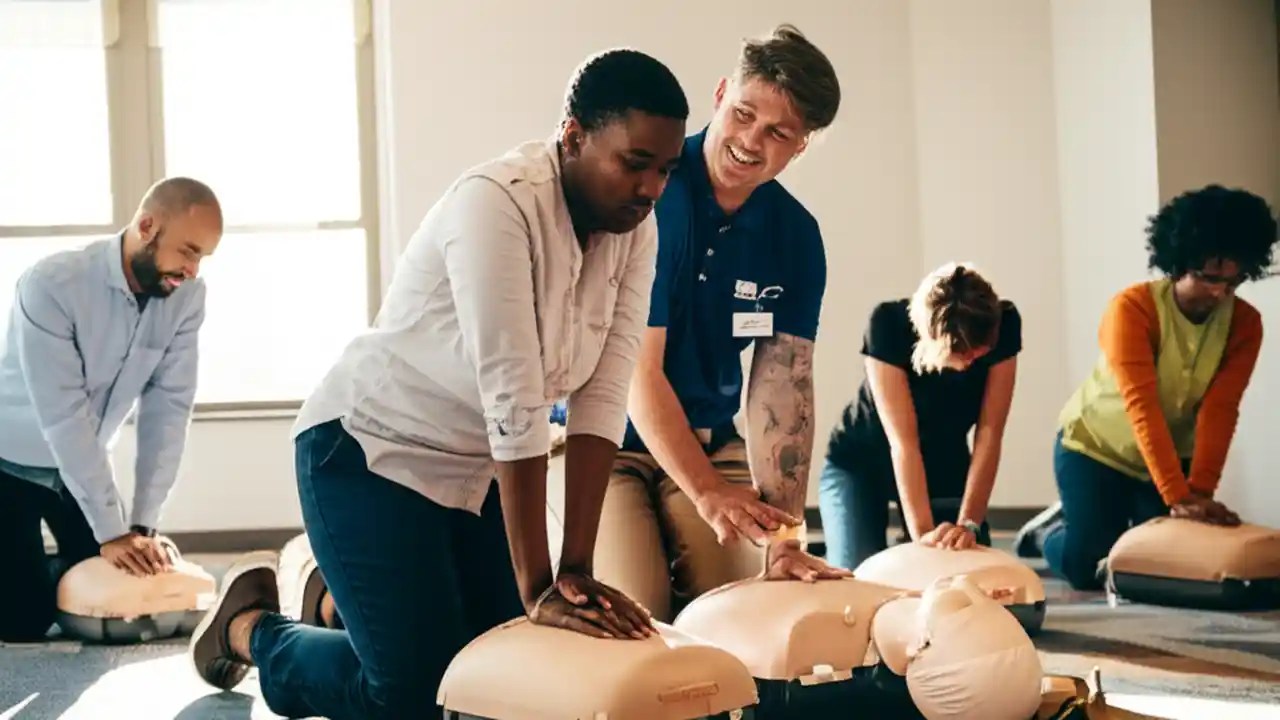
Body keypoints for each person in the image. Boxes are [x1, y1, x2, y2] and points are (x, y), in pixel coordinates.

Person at [188, 49, 690, 719]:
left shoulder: (636, 228)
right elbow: (514, 396)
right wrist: (538, 584)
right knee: (416, 695)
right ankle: (252, 629)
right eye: (635, 163)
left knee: (495, 674)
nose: (652, 187)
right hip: (367, 453)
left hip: (477, 472)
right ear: (573, 136)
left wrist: (574, 571)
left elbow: (601, 396)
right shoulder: (496, 202)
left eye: (666, 169)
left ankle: (344, 601)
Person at [580, 24, 848, 624]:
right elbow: (635, 370)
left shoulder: (795, 237)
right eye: (744, 114)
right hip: (600, 437)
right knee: (636, 610)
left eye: (778, 132)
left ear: (799, 145)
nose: (751, 141)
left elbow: (784, 387)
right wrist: (707, 495)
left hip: (708, 440)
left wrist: (785, 538)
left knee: (742, 610)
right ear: (721, 94)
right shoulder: (654, 197)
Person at [1017, 184, 1276, 590]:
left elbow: (1220, 409)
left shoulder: (1245, 324)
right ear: (1178, 263)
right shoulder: (1133, 309)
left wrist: (1199, 497)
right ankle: (1046, 533)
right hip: (1096, 448)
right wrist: (1177, 498)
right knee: (1090, 564)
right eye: (1209, 278)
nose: (1220, 292)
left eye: (1234, 281)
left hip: (1169, 458)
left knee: (1161, 561)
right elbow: (1143, 405)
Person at [0, 177, 222, 642]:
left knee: (124, 586)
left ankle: (49, 571)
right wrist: (111, 532)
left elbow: (169, 407)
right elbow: (64, 417)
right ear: (146, 226)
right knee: (22, 621)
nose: (193, 270)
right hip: (9, 462)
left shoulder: (185, 297)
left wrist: (141, 525)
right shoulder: (50, 286)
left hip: (80, 466)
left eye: (202, 256)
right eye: (187, 251)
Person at [818, 263, 1022, 570]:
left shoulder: (1004, 323)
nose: (969, 364)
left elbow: (990, 433)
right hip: (860, 463)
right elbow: (904, 444)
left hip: (942, 462)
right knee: (859, 579)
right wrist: (923, 540)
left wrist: (969, 524)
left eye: (977, 355)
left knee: (967, 573)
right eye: (960, 354)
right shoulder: (887, 324)